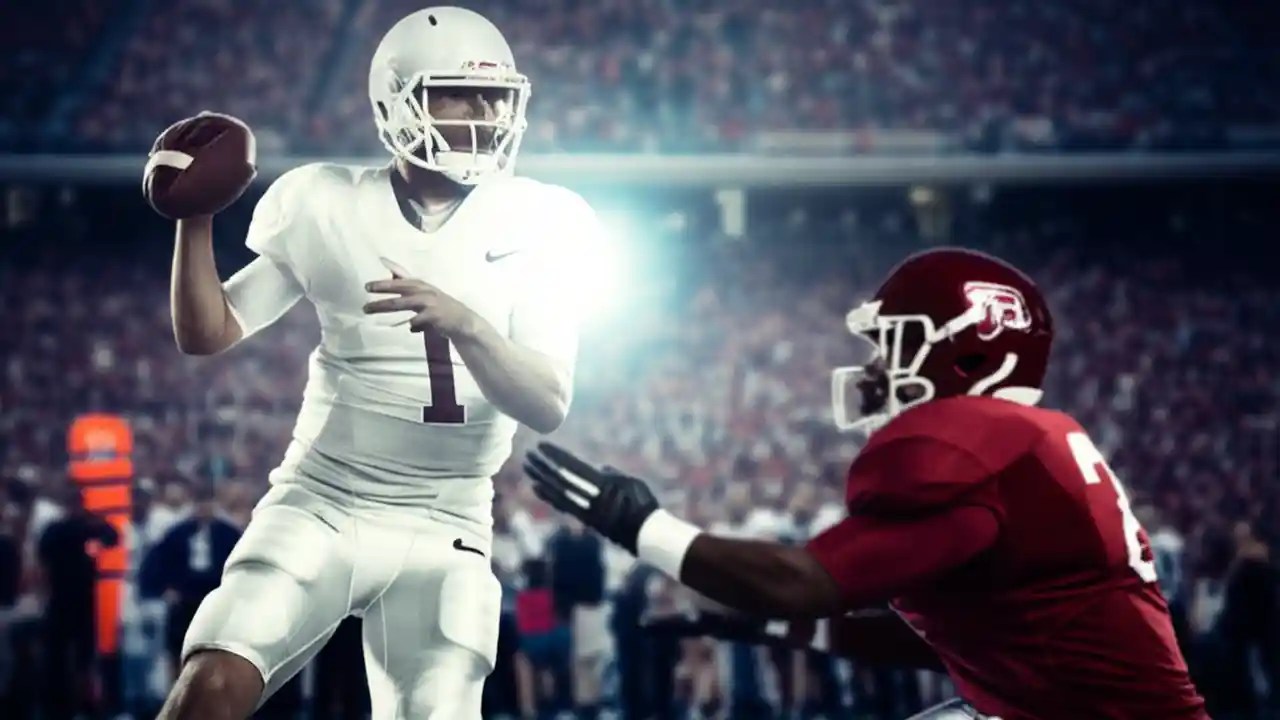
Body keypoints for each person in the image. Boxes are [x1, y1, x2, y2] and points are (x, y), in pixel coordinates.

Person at [524, 248, 1209, 719]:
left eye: (897, 341)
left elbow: (804, 580)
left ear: (970, 354)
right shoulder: (1033, 445)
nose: (877, 367)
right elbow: (960, 642)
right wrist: (784, 630)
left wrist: (641, 525)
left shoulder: (981, 442)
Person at [153, 6, 593, 719]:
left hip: (448, 518)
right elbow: (209, 332)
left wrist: (467, 324)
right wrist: (194, 221)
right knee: (212, 684)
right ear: (398, 100)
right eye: (459, 94)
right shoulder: (324, 202)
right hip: (323, 498)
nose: (485, 112)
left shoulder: (543, 219)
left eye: (496, 96)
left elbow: (547, 402)